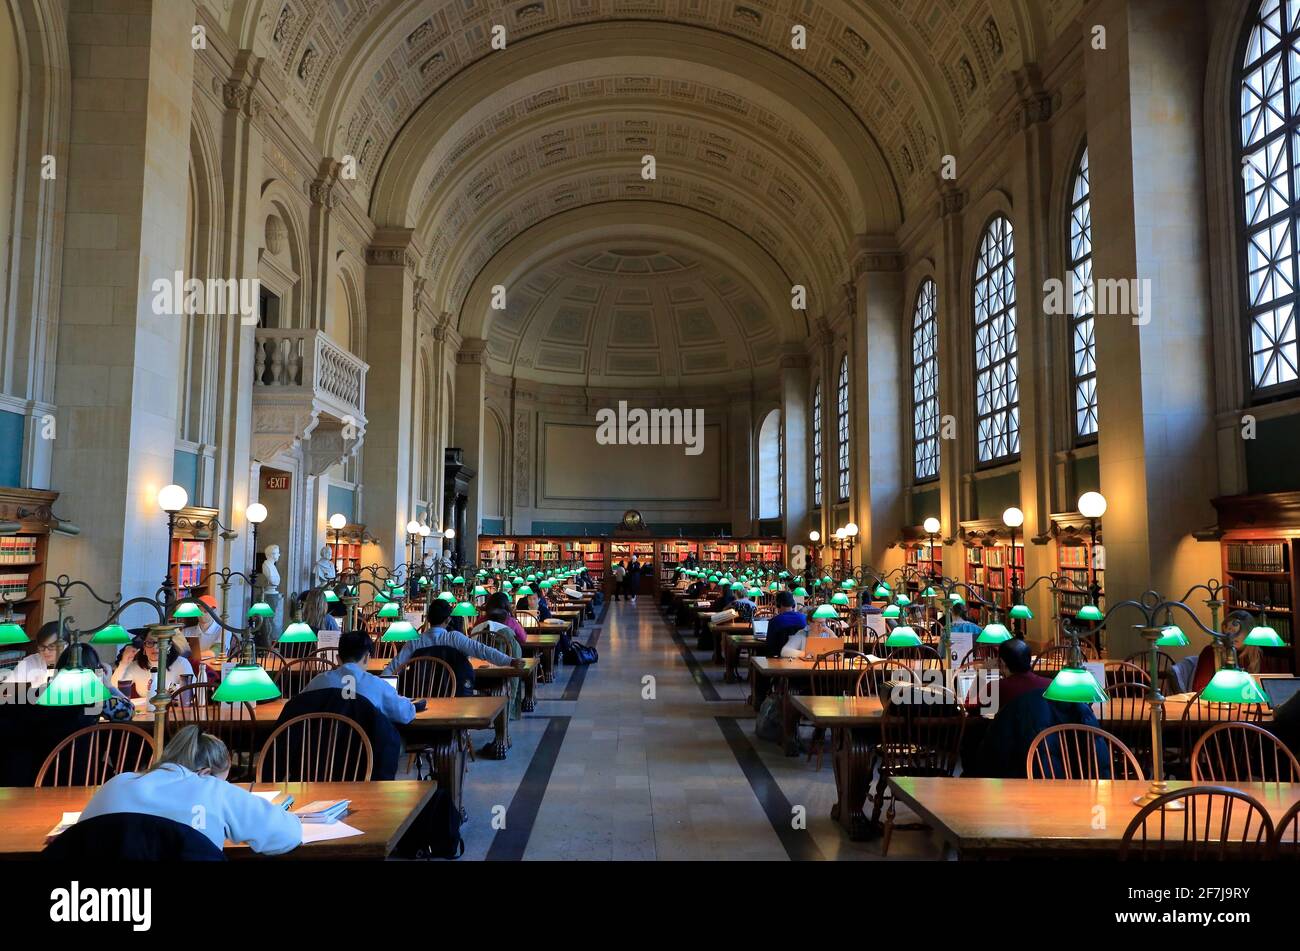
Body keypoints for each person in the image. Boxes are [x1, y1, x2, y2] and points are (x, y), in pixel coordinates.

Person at [79, 724, 302, 855]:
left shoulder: (116, 783)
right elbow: (286, 834)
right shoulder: (212, 789)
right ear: (205, 773)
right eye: (223, 779)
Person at [969, 637, 1099, 777]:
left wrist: (982, 673)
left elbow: (971, 707)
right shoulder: (1052, 686)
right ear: (1029, 660)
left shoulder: (997, 688)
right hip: (1054, 758)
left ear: (1001, 663)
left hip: (1014, 760)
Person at [304, 630, 416, 725]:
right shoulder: (377, 685)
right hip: (366, 749)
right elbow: (405, 714)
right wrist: (408, 702)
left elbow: (296, 705)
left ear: (338, 659)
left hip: (322, 748)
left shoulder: (318, 682)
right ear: (367, 657)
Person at [383, 599, 523, 674]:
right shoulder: (454, 638)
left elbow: (393, 668)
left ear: (428, 619)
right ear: (448, 620)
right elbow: (483, 651)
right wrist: (510, 661)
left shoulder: (415, 643)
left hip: (422, 693)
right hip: (454, 694)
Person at [1191, 610, 1262, 693]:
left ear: (1249, 633)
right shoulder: (1211, 652)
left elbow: (1263, 688)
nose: (1232, 635)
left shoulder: (1256, 655)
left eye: (1238, 632)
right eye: (1229, 630)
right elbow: (1199, 689)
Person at [111, 633, 194, 699]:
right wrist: (123, 664)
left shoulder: (181, 663)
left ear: (169, 646)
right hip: (146, 713)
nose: (155, 647)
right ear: (144, 647)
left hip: (176, 712)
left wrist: (166, 685)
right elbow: (114, 689)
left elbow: (192, 691)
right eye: (150, 643)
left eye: (160, 642)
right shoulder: (136, 666)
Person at [2, 621, 61, 687]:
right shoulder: (28, 662)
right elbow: (7, 689)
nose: (46, 651)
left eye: (51, 646)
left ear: (65, 645)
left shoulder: (72, 665)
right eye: (42, 647)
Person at [764, 591, 808, 658]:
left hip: (779, 660)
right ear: (793, 605)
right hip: (801, 657)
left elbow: (769, 645)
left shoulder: (774, 621)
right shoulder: (805, 618)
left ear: (778, 605)